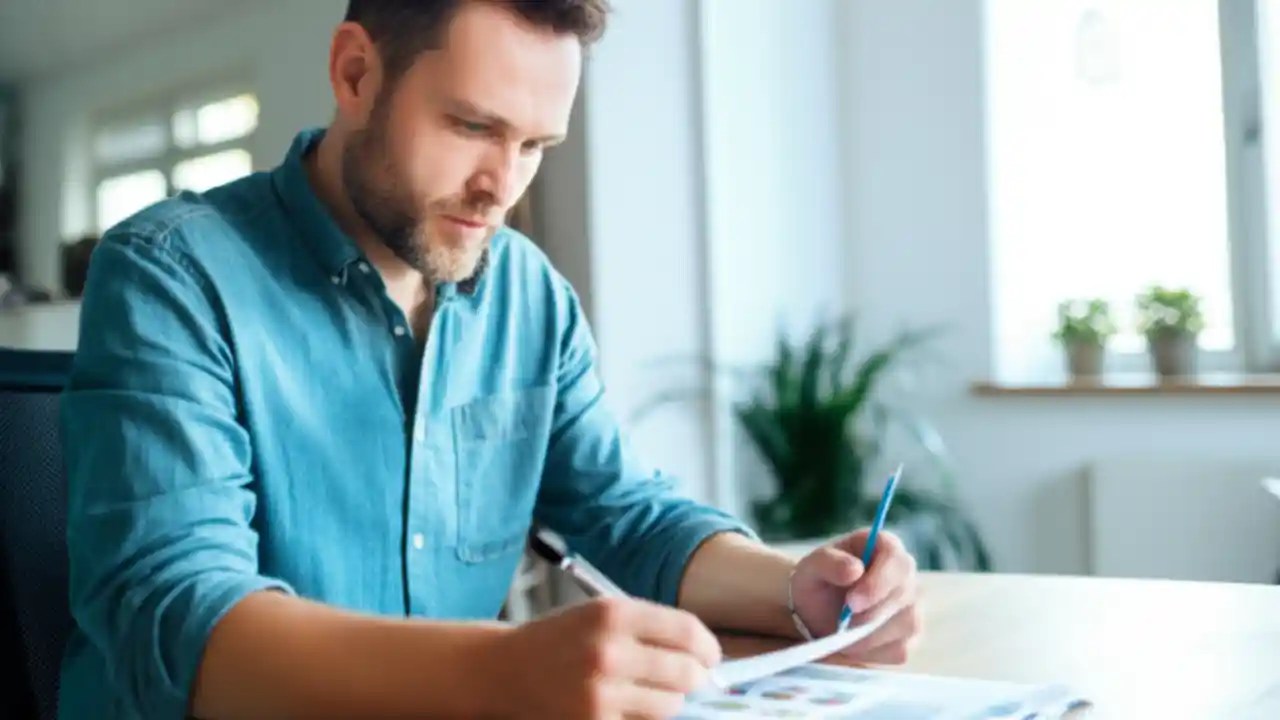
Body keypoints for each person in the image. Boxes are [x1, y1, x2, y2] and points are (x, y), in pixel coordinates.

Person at [59, 1, 922, 718]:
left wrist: (796, 588)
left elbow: (624, 513)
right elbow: (172, 618)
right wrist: (499, 671)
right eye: (474, 126)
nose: (502, 186)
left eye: (537, 146)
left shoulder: (526, 294)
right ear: (356, 74)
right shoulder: (172, 273)